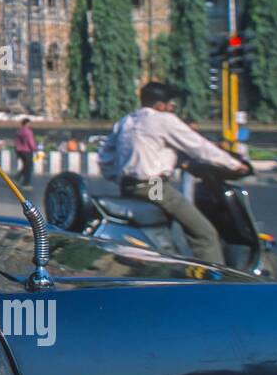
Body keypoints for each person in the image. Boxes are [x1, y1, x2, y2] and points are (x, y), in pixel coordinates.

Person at [97, 81, 248, 265]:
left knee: (161, 231)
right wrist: (234, 164)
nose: (171, 109)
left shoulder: (126, 121)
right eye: (171, 105)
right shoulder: (162, 120)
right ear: (160, 105)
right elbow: (198, 146)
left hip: (128, 187)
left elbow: (105, 155)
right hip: (155, 186)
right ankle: (215, 281)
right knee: (203, 233)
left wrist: (116, 176)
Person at [14, 117, 36, 187]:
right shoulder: (28, 131)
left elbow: (16, 142)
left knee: (25, 166)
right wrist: (34, 149)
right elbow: (30, 142)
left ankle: (17, 178)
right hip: (27, 151)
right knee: (29, 167)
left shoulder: (19, 131)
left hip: (20, 151)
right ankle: (26, 183)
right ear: (27, 123)